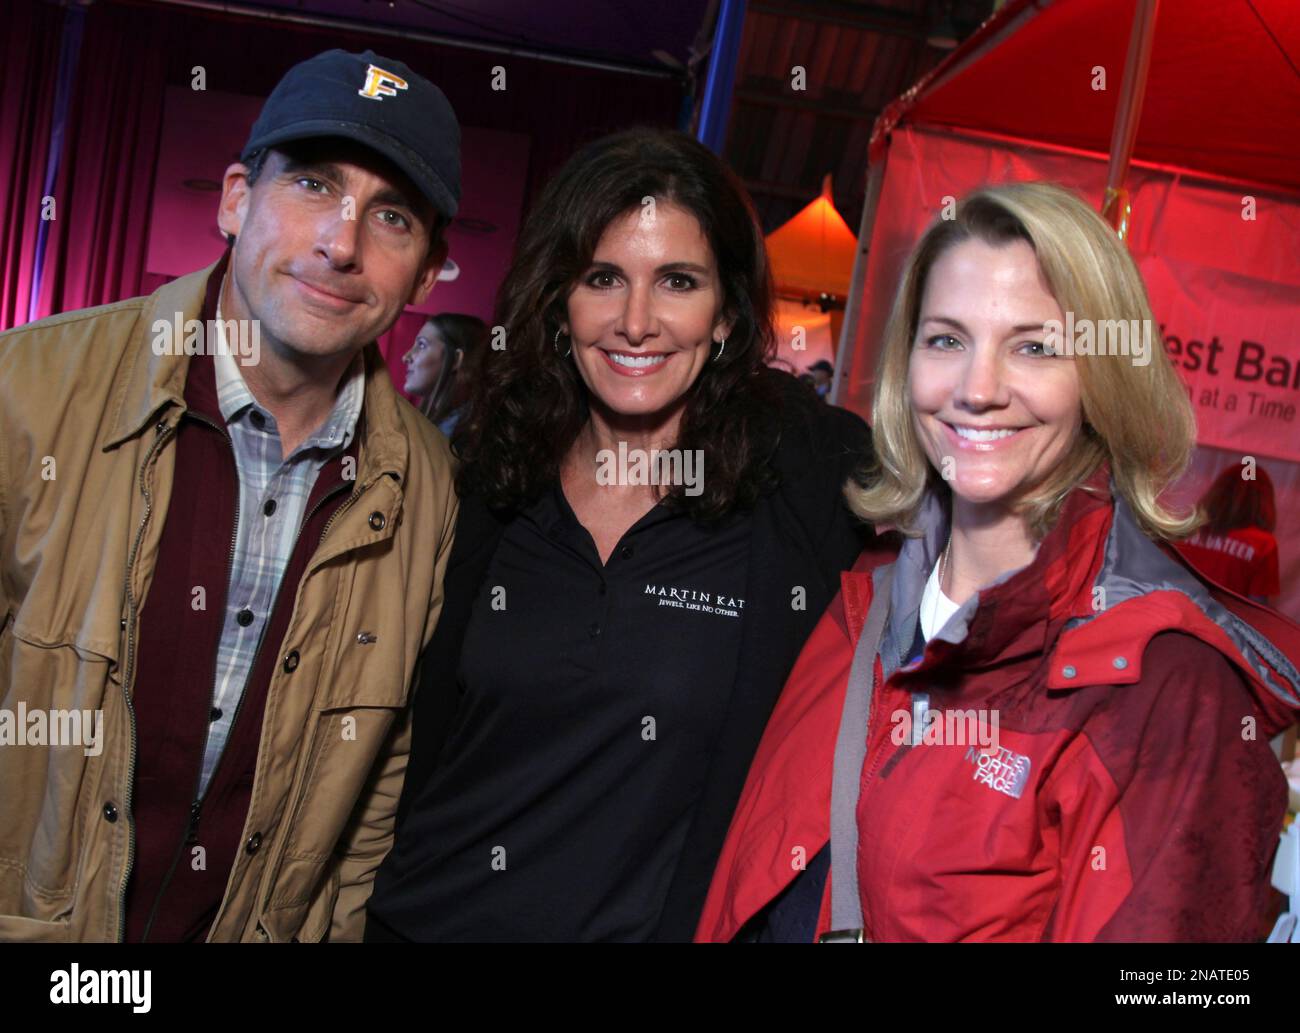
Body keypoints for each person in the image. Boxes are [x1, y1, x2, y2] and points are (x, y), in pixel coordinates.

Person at [697, 183, 1300, 943]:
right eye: (946, 339)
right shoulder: (865, 597)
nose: (977, 390)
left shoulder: (1170, 693)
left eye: (1035, 346)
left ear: (1102, 379)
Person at [365, 127, 886, 942]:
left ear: (725, 313)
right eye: (603, 278)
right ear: (558, 300)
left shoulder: (801, 482)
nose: (635, 322)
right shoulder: (490, 481)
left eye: (677, 281)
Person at [0, 49, 461, 942]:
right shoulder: (29, 387)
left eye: (392, 216)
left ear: (427, 270)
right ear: (236, 199)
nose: (341, 243)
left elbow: (374, 792)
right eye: (315, 185)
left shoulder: (430, 490)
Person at [1177, 463, 1281, 604]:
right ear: (1262, 499)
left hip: (1176, 614)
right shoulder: (1263, 544)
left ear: (1218, 492)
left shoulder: (1187, 527)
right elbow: (1257, 606)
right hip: (1223, 622)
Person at [402, 312, 488, 435]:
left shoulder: (464, 435)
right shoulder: (437, 426)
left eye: (422, 345)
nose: (406, 357)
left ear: (456, 359)